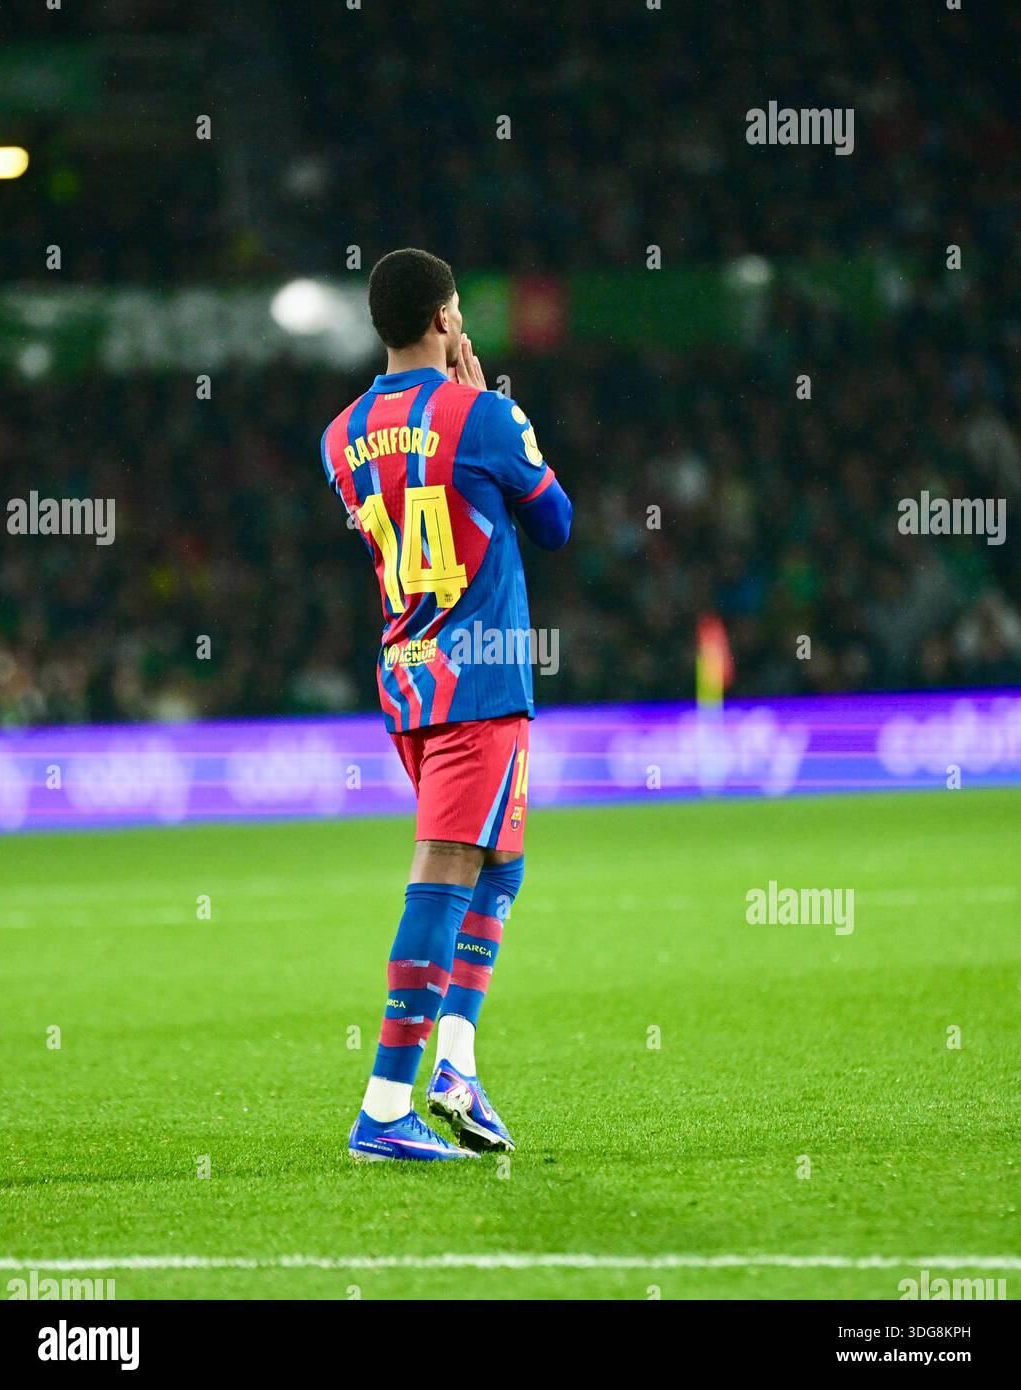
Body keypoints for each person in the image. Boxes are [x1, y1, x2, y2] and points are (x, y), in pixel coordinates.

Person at [320, 248, 572, 1160]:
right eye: (458, 311)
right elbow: (556, 525)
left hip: (407, 674)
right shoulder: (487, 417)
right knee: (443, 875)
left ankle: (457, 1065)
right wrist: (504, 424)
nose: (461, 324)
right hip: (483, 676)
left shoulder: (338, 436)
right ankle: (385, 1106)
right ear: (440, 320)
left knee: (499, 863)